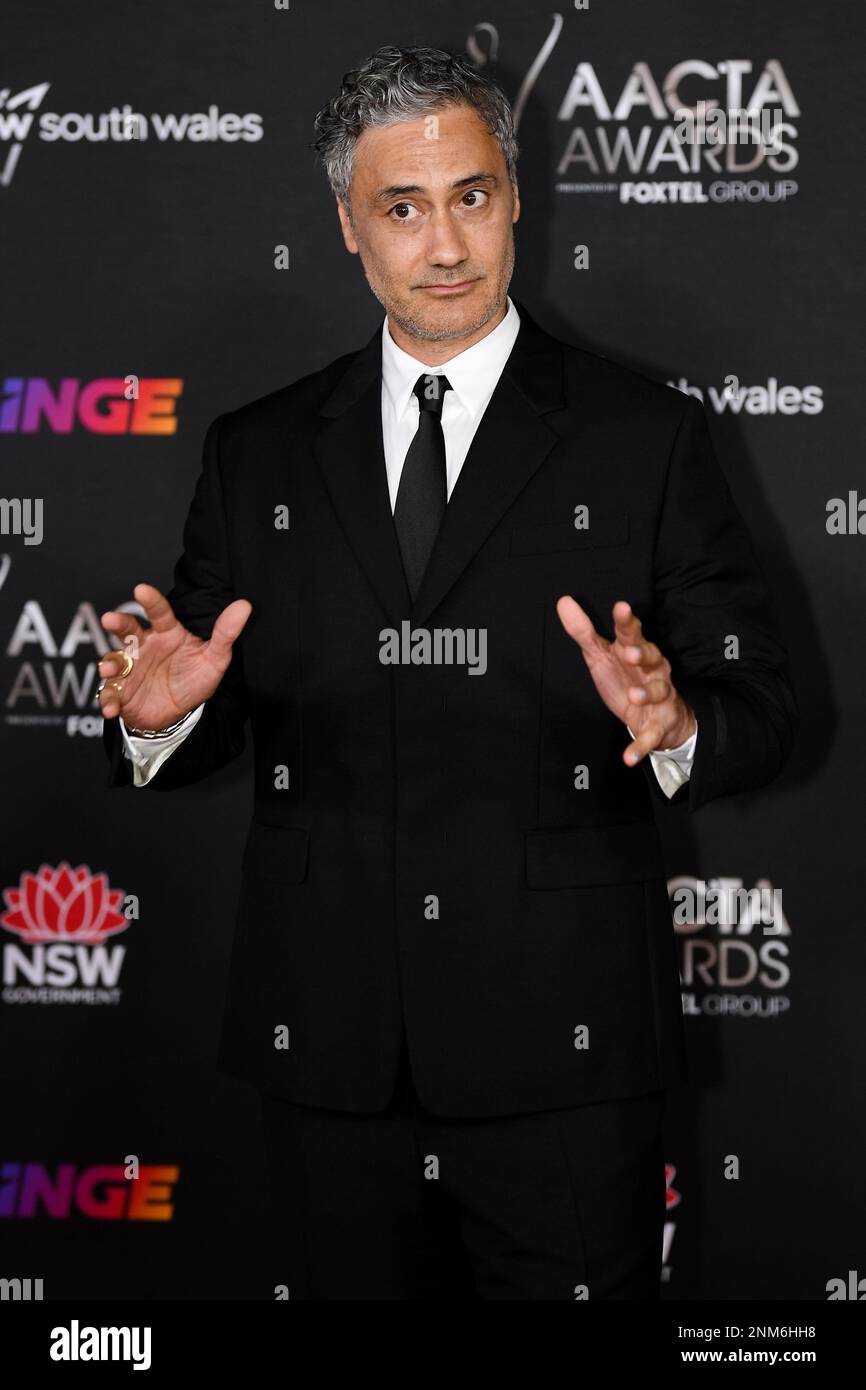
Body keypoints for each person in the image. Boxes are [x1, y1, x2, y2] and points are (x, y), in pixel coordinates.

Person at [98, 45, 798, 1299]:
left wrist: (678, 715)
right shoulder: (254, 452)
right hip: (326, 1046)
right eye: (402, 206)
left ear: (516, 198)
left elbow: (767, 712)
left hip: (565, 1059)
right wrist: (160, 723)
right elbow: (196, 700)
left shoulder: (646, 437)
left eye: (470, 196)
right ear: (345, 227)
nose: (444, 244)